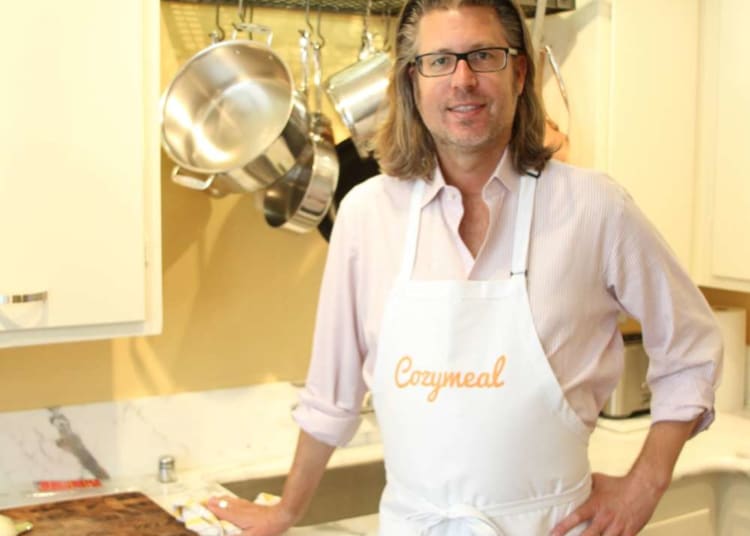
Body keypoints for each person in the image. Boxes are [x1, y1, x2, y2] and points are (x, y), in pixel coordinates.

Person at [207, 0, 723, 534]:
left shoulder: (593, 208)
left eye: (484, 56)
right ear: (413, 82)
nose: (463, 79)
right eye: (439, 61)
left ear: (519, 73)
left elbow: (690, 347)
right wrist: (285, 511)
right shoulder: (366, 213)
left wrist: (646, 483)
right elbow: (330, 396)